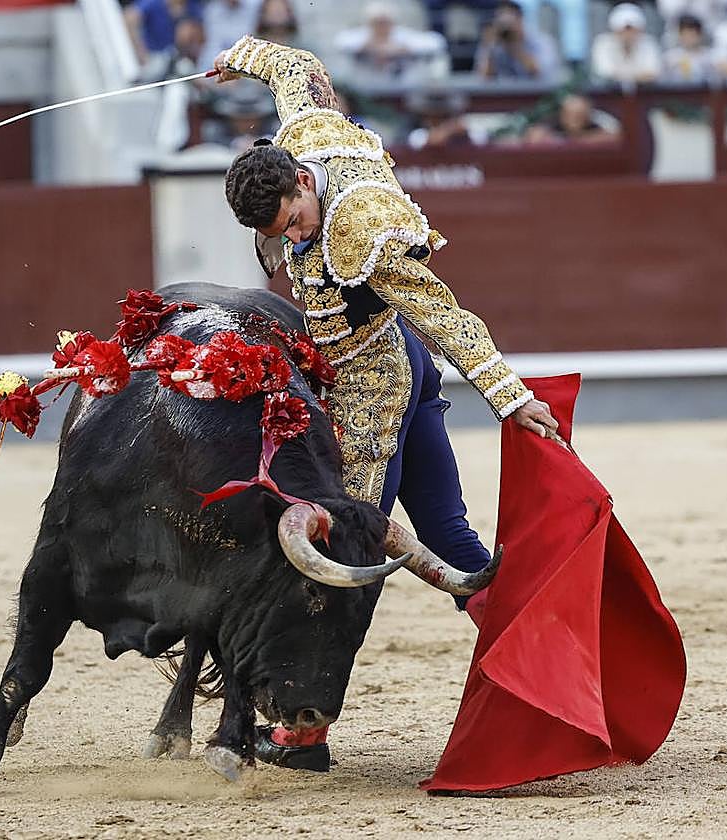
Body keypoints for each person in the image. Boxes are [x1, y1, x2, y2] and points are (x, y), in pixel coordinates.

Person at [211, 33, 558, 771]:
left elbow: (439, 310)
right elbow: (293, 65)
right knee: (449, 534)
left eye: (295, 223)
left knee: (345, 551)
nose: (295, 240)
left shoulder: (362, 223)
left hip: (380, 380)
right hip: (399, 361)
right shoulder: (305, 131)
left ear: (302, 182)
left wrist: (509, 396)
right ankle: (543, 669)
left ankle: (303, 736)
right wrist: (237, 55)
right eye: (279, 237)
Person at [474, 0, 564, 81]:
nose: (505, 26)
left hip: (537, 96)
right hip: (505, 96)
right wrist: (491, 48)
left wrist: (514, 46)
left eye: (509, 21)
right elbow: (484, 77)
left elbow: (541, 72)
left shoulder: (542, 41)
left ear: (520, 19)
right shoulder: (493, 42)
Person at [591, 3, 663, 83]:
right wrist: (636, 76)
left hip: (645, 92)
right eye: (624, 30)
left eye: (632, 30)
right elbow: (604, 73)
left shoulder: (649, 43)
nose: (628, 34)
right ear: (614, 30)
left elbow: (653, 73)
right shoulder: (602, 43)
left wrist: (624, 76)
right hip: (611, 92)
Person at [662, 14, 714, 80]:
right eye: (686, 34)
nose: (689, 38)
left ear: (700, 35)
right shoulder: (670, 57)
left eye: (692, 35)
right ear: (680, 34)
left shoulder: (709, 57)